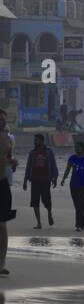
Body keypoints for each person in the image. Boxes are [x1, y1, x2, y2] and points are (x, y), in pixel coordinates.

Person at [59, 140, 84, 232]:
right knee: (77, 205)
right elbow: (67, 169)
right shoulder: (72, 158)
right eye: (75, 147)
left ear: (82, 148)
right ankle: (82, 223)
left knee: (81, 205)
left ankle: (78, 225)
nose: (76, 149)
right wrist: (63, 179)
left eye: (78, 147)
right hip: (73, 184)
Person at [23, 133, 58, 229]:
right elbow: (28, 166)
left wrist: (55, 178)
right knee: (35, 202)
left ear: (42, 141)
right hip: (34, 180)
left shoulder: (49, 152)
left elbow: (53, 165)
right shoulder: (32, 152)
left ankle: (49, 213)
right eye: (35, 140)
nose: (35, 141)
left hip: (46, 179)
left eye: (37, 140)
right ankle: (39, 223)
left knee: (47, 200)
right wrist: (25, 181)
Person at [0, 110, 15, 274]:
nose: (2, 122)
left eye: (4, 120)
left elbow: (8, 156)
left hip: (3, 183)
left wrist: (11, 161)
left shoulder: (7, 138)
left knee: (2, 225)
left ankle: (1, 263)